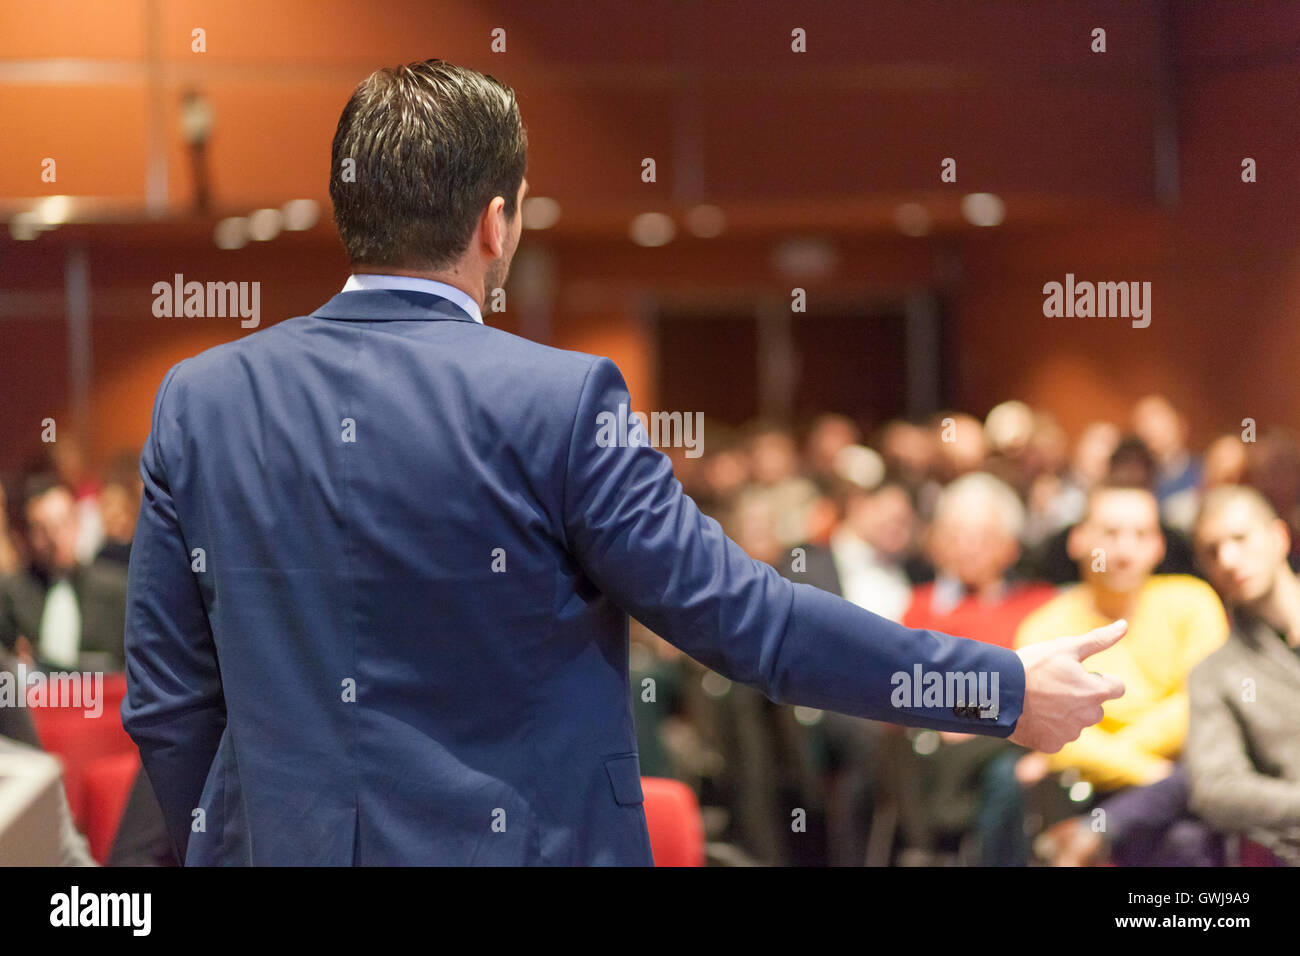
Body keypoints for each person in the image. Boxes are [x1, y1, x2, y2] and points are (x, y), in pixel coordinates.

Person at [122, 58, 1128, 866]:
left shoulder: (199, 400)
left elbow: (168, 704)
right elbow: (744, 618)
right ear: (496, 222)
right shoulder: (559, 402)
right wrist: (994, 688)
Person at [1016, 482, 1228, 865]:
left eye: (1141, 535)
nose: (1125, 551)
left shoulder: (1192, 600)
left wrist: (1124, 755)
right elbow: (1055, 739)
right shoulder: (1043, 625)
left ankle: (1096, 833)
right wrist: (1147, 770)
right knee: (1183, 839)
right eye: (1110, 533)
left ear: (1158, 545)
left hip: (1186, 774)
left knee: (1198, 800)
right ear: (1077, 540)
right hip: (1104, 787)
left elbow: (1201, 706)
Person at [1187, 485, 1300, 864]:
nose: (1229, 559)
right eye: (1212, 551)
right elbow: (1216, 789)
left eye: (1239, 538)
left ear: (1279, 537)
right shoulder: (1215, 673)